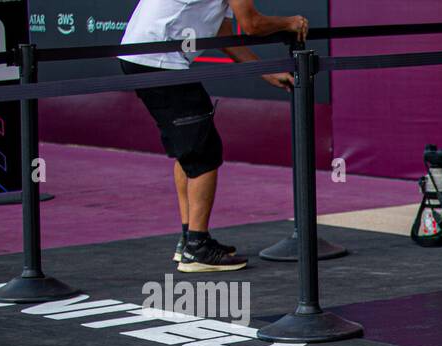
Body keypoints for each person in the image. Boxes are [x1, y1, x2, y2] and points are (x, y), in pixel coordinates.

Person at [119, 0, 308, 273]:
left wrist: (264, 72)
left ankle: (190, 240)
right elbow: (253, 24)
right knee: (203, 153)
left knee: (189, 150)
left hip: (144, 58)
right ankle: (197, 248)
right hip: (158, 61)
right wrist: (291, 22)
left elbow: (223, 31)